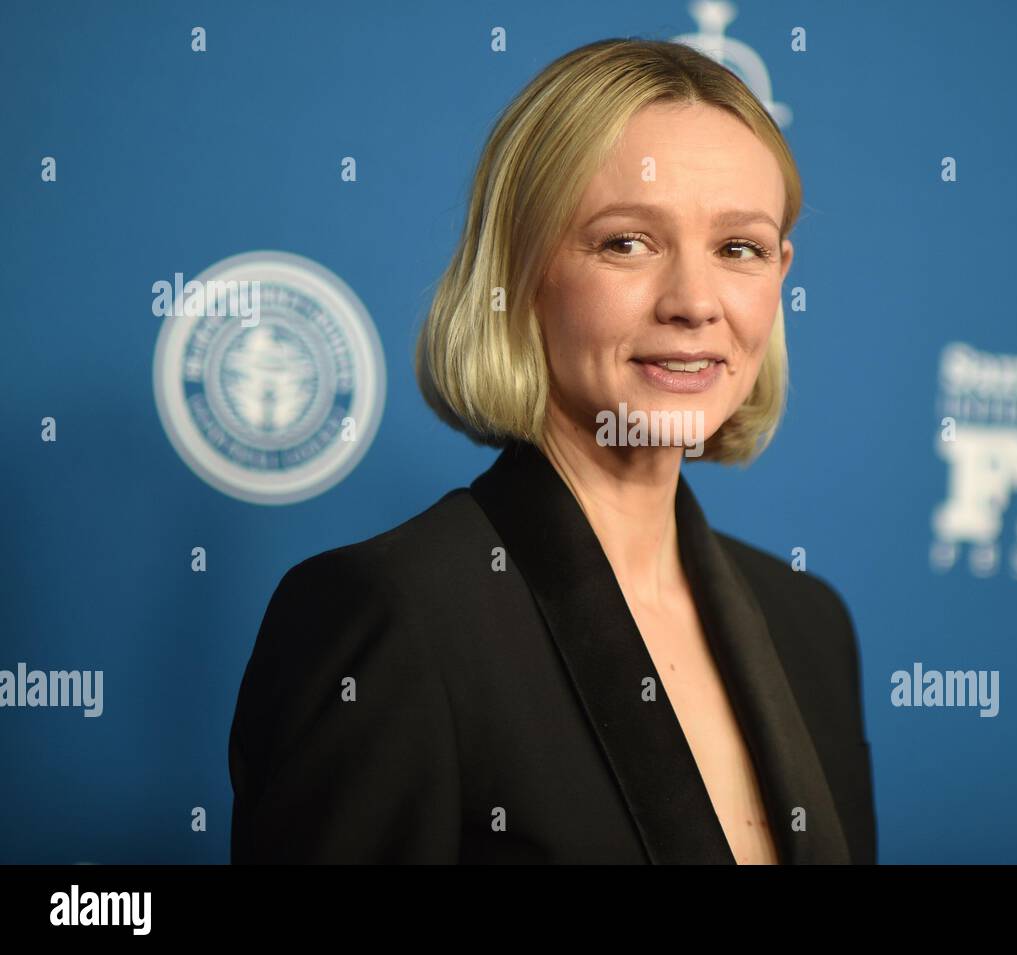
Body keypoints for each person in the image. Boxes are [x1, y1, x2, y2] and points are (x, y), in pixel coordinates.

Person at [229, 37, 877, 864]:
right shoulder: (390, 616)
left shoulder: (810, 624)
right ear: (520, 272)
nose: (694, 302)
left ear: (780, 275)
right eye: (627, 243)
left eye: (738, 249)